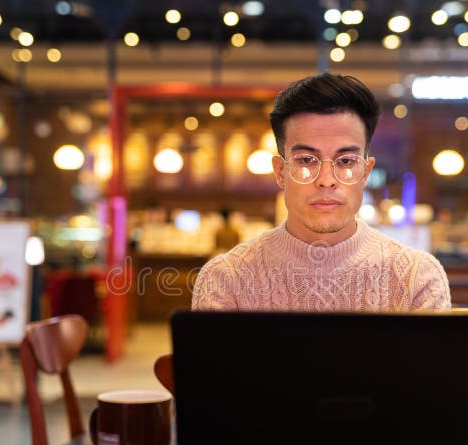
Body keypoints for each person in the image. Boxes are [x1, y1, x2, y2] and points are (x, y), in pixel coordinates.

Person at [192, 72, 451, 311]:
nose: (326, 180)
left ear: (365, 172)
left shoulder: (418, 278)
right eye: (306, 160)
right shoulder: (226, 279)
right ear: (280, 172)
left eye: (346, 161)